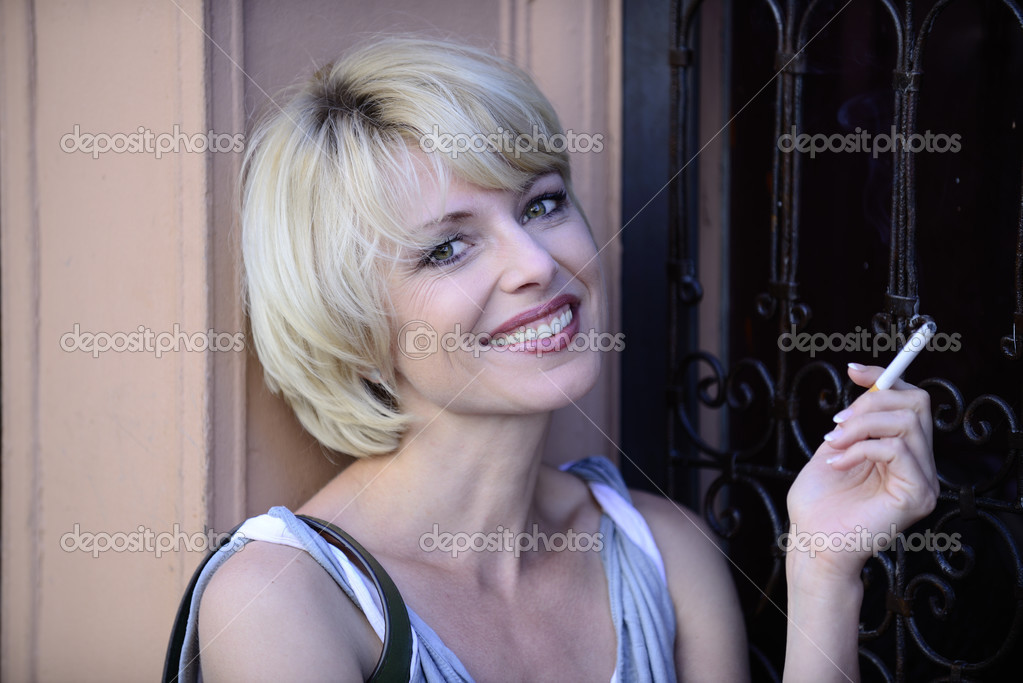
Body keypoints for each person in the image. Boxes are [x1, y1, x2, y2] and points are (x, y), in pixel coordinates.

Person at [179, 37, 938, 682]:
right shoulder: (283, 597)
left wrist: (823, 567)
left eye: (540, 203)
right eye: (446, 247)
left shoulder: (666, 555)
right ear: (351, 329)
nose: (537, 262)